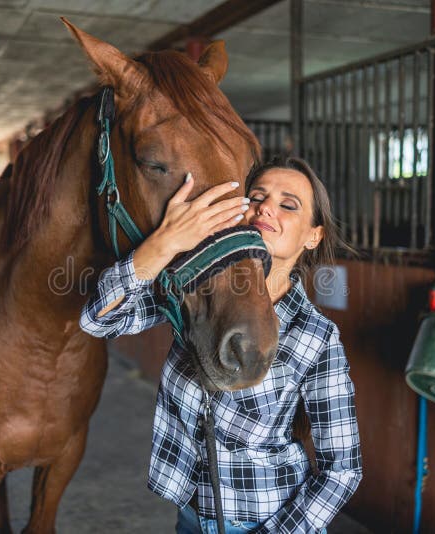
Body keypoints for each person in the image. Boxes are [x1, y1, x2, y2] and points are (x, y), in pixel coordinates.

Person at [80, 156, 362, 533]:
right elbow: (100, 319)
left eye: (288, 204)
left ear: (313, 236)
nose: (265, 207)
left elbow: (342, 469)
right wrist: (164, 244)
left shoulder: (316, 336)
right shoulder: (199, 289)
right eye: (256, 197)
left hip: (267, 522)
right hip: (190, 516)